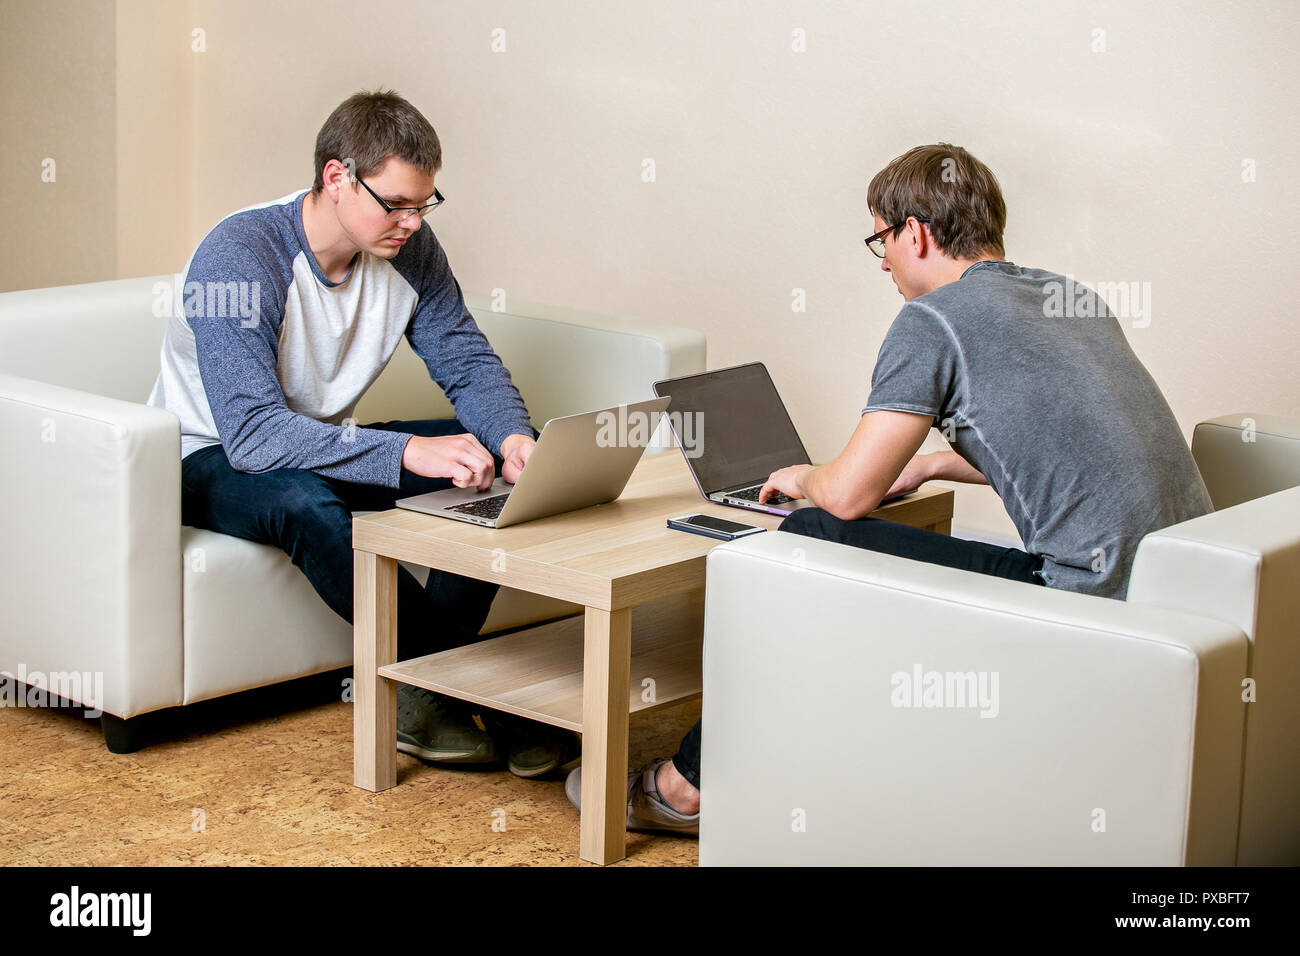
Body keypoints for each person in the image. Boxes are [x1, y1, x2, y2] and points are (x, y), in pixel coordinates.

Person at [565, 142, 1213, 834]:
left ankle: (684, 786)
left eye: (881, 238)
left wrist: (804, 478)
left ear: (916, 232)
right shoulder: (1068, 296)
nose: (881, 261)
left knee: (814, 535)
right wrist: (932, 463)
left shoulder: (932, 322)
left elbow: (844, 497)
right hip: (1174, 593)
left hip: (1082, 608)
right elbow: (1076, 449)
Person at [148, 88, 576, 778]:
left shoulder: (409, 250)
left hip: (314, 441)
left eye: (424, 205)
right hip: (206, 455)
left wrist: (511, 439)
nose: (411, 222)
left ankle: (423, 695)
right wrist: (408, 450)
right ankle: (481, 694)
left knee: (484, 464)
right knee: (302, 503)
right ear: (337, 176)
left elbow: (464, 359)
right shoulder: (240, 254)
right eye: (396, 204)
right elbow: (255, 437)